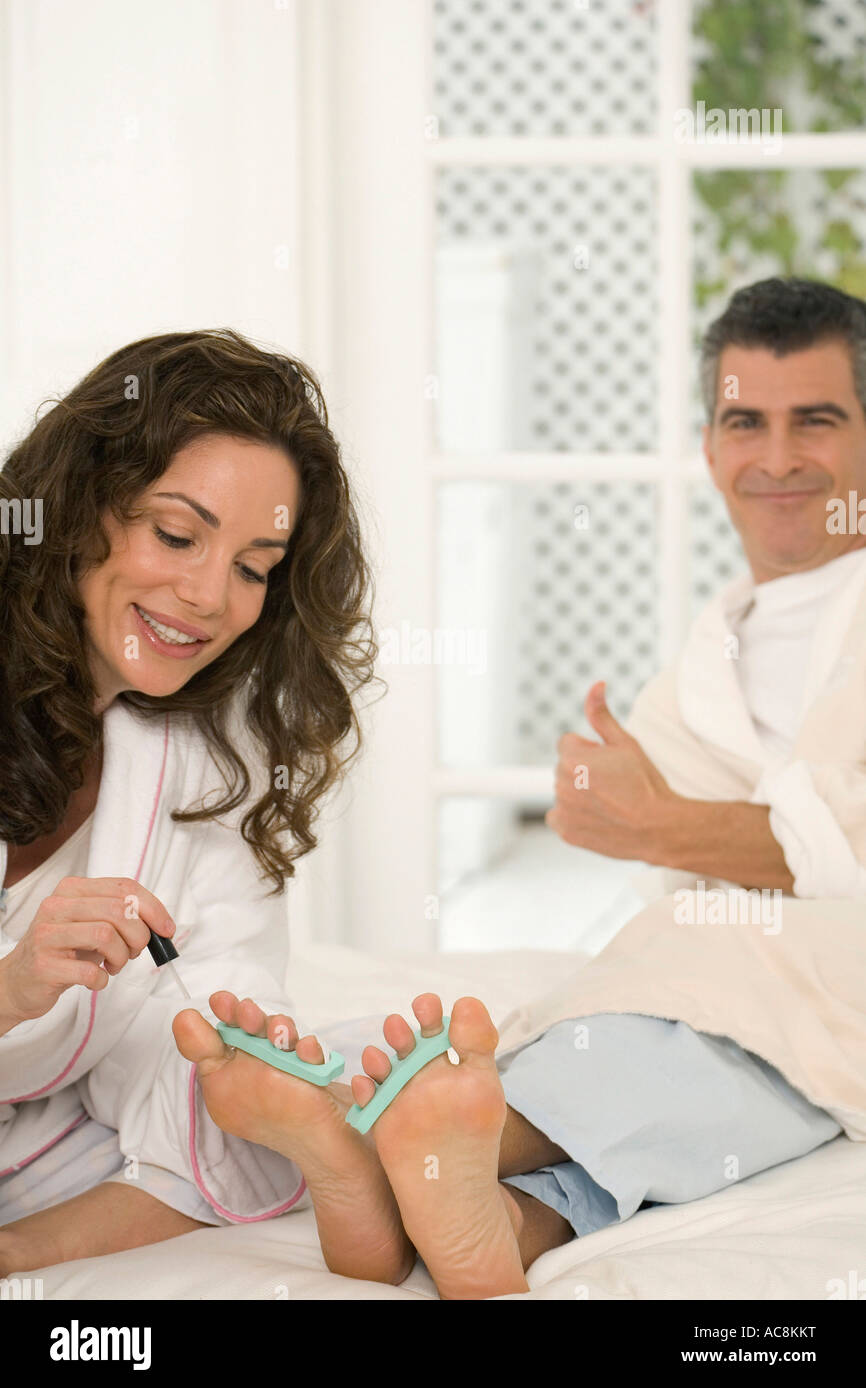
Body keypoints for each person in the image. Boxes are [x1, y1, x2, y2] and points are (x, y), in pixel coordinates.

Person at [165, 278, 866, 1299]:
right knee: (660, 1018)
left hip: (816, 984)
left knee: (729, 1016)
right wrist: (650, 822)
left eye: (815, 420)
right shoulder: (707, 655)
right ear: (707, 446)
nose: (774, 457)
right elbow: (686, 859)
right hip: (700, 979)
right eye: (740, 422)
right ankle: (486, 1214)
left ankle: (413, 1132)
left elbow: (745, 854)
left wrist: (666, 824)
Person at [0, 328, 379, 1273]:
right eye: (177, 534)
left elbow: (200, 1020)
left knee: (334, 1074)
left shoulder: (209, 762)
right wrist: (13, 985)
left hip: (43, 1163)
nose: (211, 595)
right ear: (83, 507)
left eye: (255, 568)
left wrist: (243, 1064)